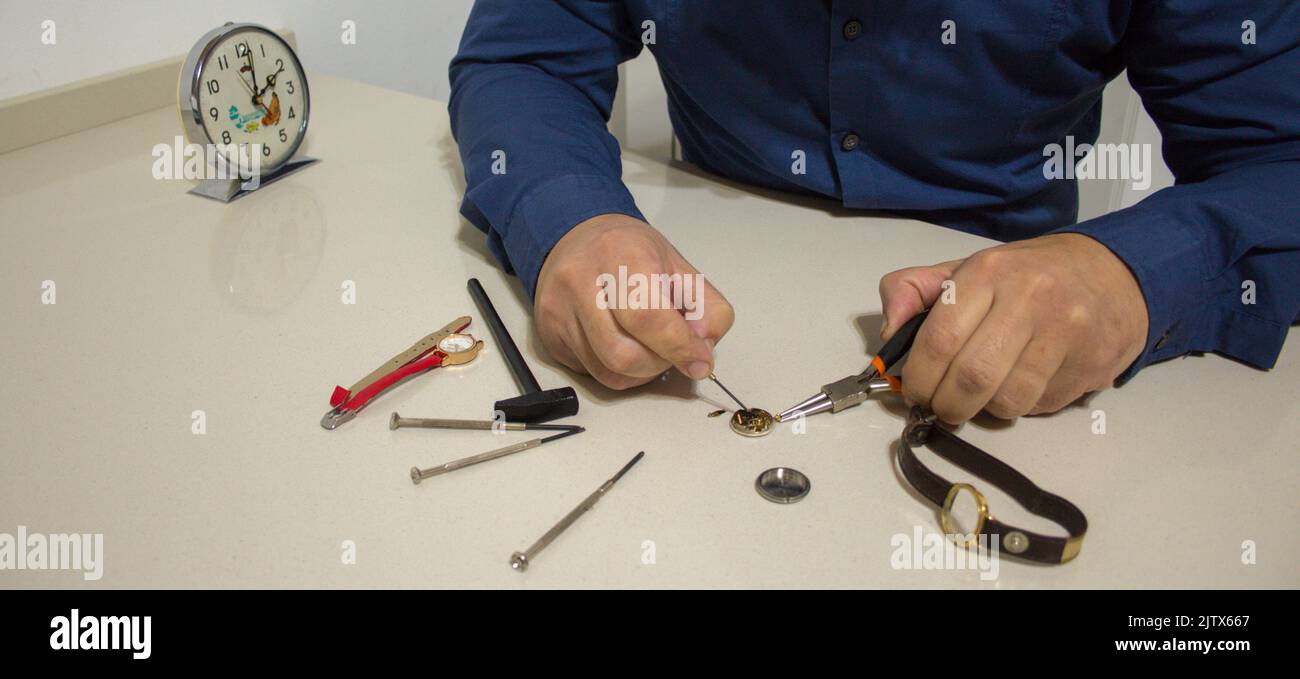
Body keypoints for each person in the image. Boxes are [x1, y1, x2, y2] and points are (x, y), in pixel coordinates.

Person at [448, 1, 1299, 424]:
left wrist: (1131, 277)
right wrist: (572, 219)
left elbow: (1279, 161)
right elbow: (524, 59)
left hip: (1025, 378)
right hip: (701, 293)